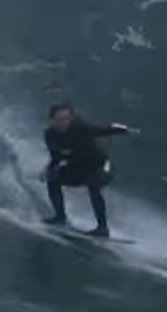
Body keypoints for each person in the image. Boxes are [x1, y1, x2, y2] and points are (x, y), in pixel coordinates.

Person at [39, 102, 135, 238]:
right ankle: (60, 218)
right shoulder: (50, 135)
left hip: (101, 166)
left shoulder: (81, 128)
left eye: (67, 118)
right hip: (78, 168)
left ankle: (102, 228)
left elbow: (102, 130)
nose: (64, 122)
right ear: (52, 120)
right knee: (52, 180)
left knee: (93, 185)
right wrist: (48, 170)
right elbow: (56, 157)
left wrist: (123, 130)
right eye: (59, 119)